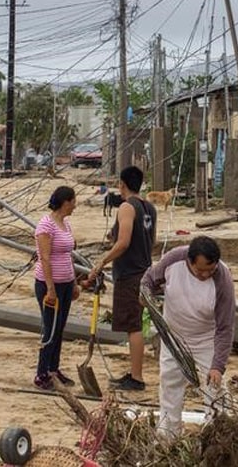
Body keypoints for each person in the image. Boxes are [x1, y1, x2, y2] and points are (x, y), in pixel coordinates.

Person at [140, 235, 236, 437]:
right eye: (200, 270)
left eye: (210, 270)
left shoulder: (223, 279)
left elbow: (225, 327)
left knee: (216, 390)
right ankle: (168, 436)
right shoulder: (173, 260)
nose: (205, 274)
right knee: (170, 386)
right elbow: (149, 279)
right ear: (189, 261)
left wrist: (217, 366)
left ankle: (217, 436)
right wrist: (145, 293)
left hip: (206, 340)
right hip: (173, 337)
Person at [88, 166, 156, 391]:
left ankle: (136, 377)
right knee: (136, 323)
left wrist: (102, 262)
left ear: (122, 184)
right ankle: (134, 373)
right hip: (144, 270)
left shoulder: (127, 207)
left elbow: (124, 242)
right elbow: (150, 240)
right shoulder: (149, 207)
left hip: (129, 274)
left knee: (133, 326)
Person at [33, 185, 80, 390]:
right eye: (73, 202)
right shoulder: (46, 225)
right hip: (48, 284)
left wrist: (74, 283)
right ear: (65, 202)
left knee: (60, 328)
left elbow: (68, 255)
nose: (75, 206)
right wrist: (50, 288)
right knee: (50, 328)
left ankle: (54, 369)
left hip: (66, 283)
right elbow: (44, 257)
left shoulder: (66, 224)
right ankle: (41, 373)